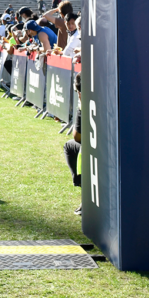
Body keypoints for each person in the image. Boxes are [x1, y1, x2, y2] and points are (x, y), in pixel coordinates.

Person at [63, 72, 82, 215]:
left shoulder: (85, 103)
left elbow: (77, 137)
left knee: (70, 146)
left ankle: (86, 194)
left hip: (102, 148)